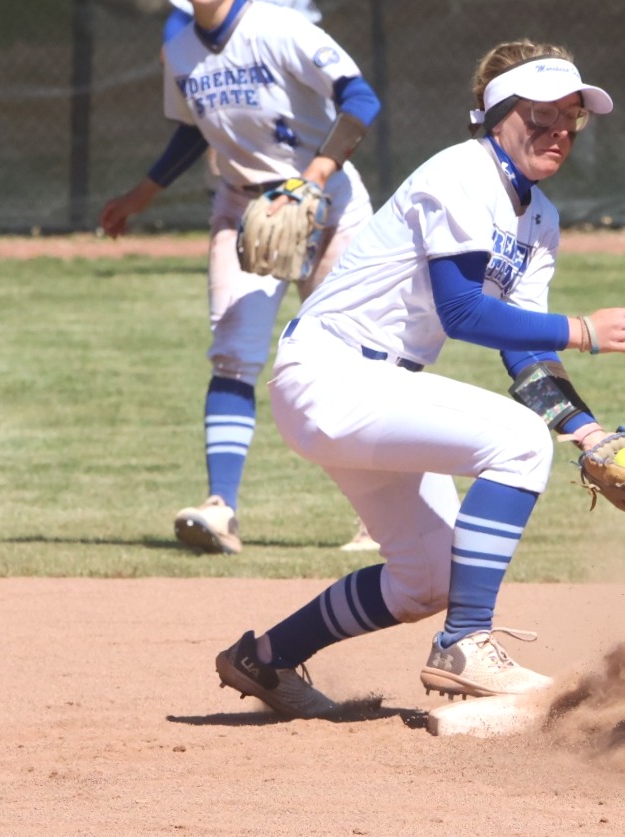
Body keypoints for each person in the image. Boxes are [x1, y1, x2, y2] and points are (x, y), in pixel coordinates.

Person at [211, 39, 625, 718]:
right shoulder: (461, 175)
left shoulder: (538, 218)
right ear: (495, 115)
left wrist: (587, 432)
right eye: (540, 116)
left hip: (377, 391)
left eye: (571, 118)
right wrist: (584, 329)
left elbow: (521, 349)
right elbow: (464, 311)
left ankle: (265, 657)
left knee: (429, 575)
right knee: (516, 443)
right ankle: (465, 643)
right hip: (330, 372)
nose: (558, 131)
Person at [100, 0, 381, 554]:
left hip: (328, 204)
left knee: (353, 361)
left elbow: (361, 98)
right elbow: (192, 133)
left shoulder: (280, 27)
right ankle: (220, 510)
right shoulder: (180, 50)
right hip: (243, 210)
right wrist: (142, 195)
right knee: (233, 352)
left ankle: (382, 518)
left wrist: (314, 177)